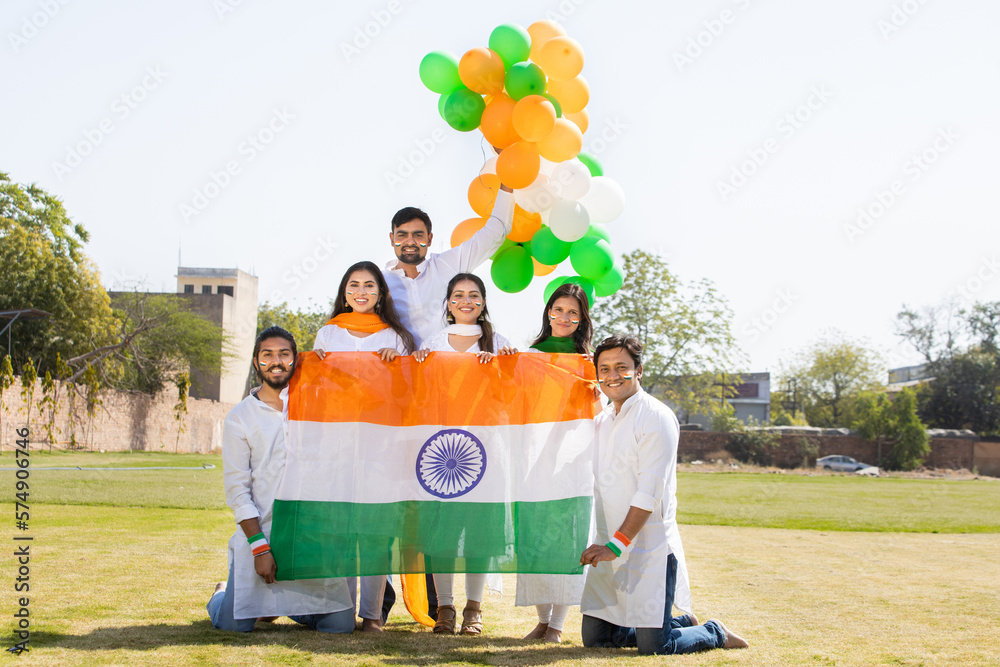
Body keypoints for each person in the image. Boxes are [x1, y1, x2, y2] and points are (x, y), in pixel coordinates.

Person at [579, 334, 749, 654]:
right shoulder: (601, 420)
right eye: (604, 369)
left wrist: (615, 545)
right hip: (608, 544)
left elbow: (649, 493)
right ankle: (677, 622)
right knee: (597, 640)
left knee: (655, 647)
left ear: (639, 371)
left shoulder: (656, 417)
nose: (613, 375)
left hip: (649, 548)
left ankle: (714, 632)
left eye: (621, 367)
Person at [207, 326, 354, 633]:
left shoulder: (316, 407)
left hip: (311, 536)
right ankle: (221, 594)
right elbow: (238, 491)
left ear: (295, 360)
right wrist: (260, 549)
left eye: (284, 354)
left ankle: (282, 608)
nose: (276, 361)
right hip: (265, 534)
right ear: (256, 362)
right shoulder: (240, 417)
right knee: (233, 627)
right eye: (267, 355)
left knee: (340, 627)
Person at [313, 261, 416, 632]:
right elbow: (317, 389)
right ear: (344, 292)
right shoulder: (327, 335)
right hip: (338, 443)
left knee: (375, 531)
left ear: (381, 293)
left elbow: (409, 393)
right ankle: (342, 608)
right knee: (341, 529)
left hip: (382, 446)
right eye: (354, 285)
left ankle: (372, 615)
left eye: (369, 285)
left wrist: (398, 366)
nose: (361, 292)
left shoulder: (396, 338)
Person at [413, 272, 517, 635]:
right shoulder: (431, 344)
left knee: (480, 529)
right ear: (448, 302)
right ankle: (445, 607)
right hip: (442, 451)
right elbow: (418, 398)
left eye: (474, 295)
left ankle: (474, 608)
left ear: (484, 302)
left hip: (486, 450)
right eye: (458, 295)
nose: (466, 301)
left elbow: (512, 399)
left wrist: (506, 368)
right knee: (442, 527)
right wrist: (418, 365)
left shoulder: (500, 343)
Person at [516, 283, 593, 644]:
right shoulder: (530, 355)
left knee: (565, 540)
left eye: (572, 313)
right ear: (548, 312)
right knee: (533, 539)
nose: (564, 318)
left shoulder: (590, 363)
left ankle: (558, 625)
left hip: (572, 465)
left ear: (582, 320)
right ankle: (542, 619)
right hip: (534, 461)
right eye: (558, 310)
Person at [382, 175, 514, 347]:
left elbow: (494, 234)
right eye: (402, 235)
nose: (410, 241)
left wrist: (509, 172)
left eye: (418, 235)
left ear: (429, 239)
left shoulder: (447, 265)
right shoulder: (379, 283)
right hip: (397, 371)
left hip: (448, 369)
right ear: (392, 239)